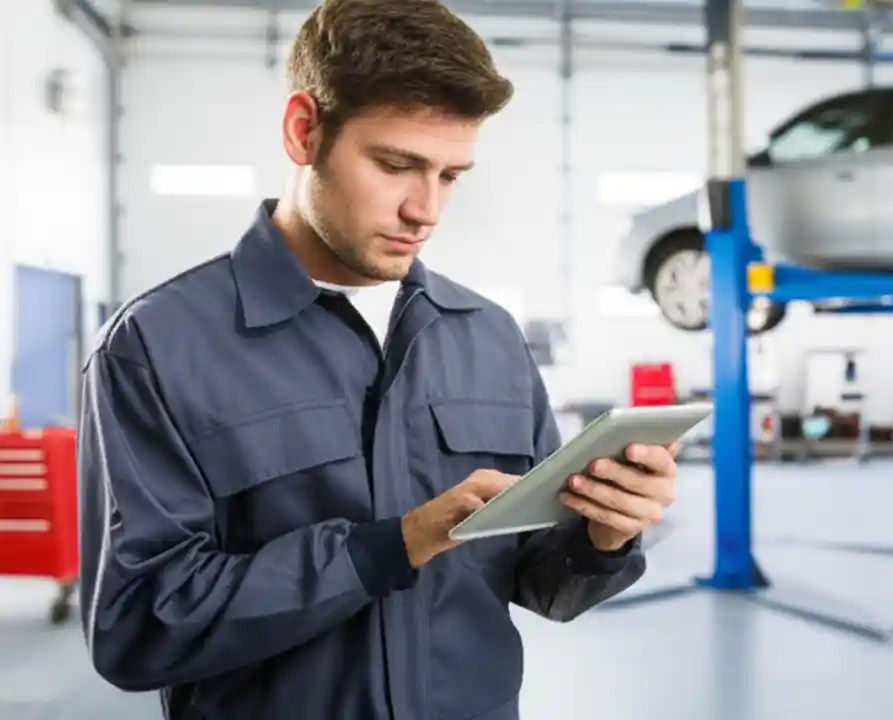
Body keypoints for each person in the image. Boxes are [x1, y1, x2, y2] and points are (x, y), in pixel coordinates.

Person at [76, 2, 678, 718]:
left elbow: (543, 582)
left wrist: (606, 535)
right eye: (397, 165)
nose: (426, 208)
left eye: (451, 175)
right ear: (305, 131)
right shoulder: (159, 346)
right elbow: (138, 627)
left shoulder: (486, 336)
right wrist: (389, 547)